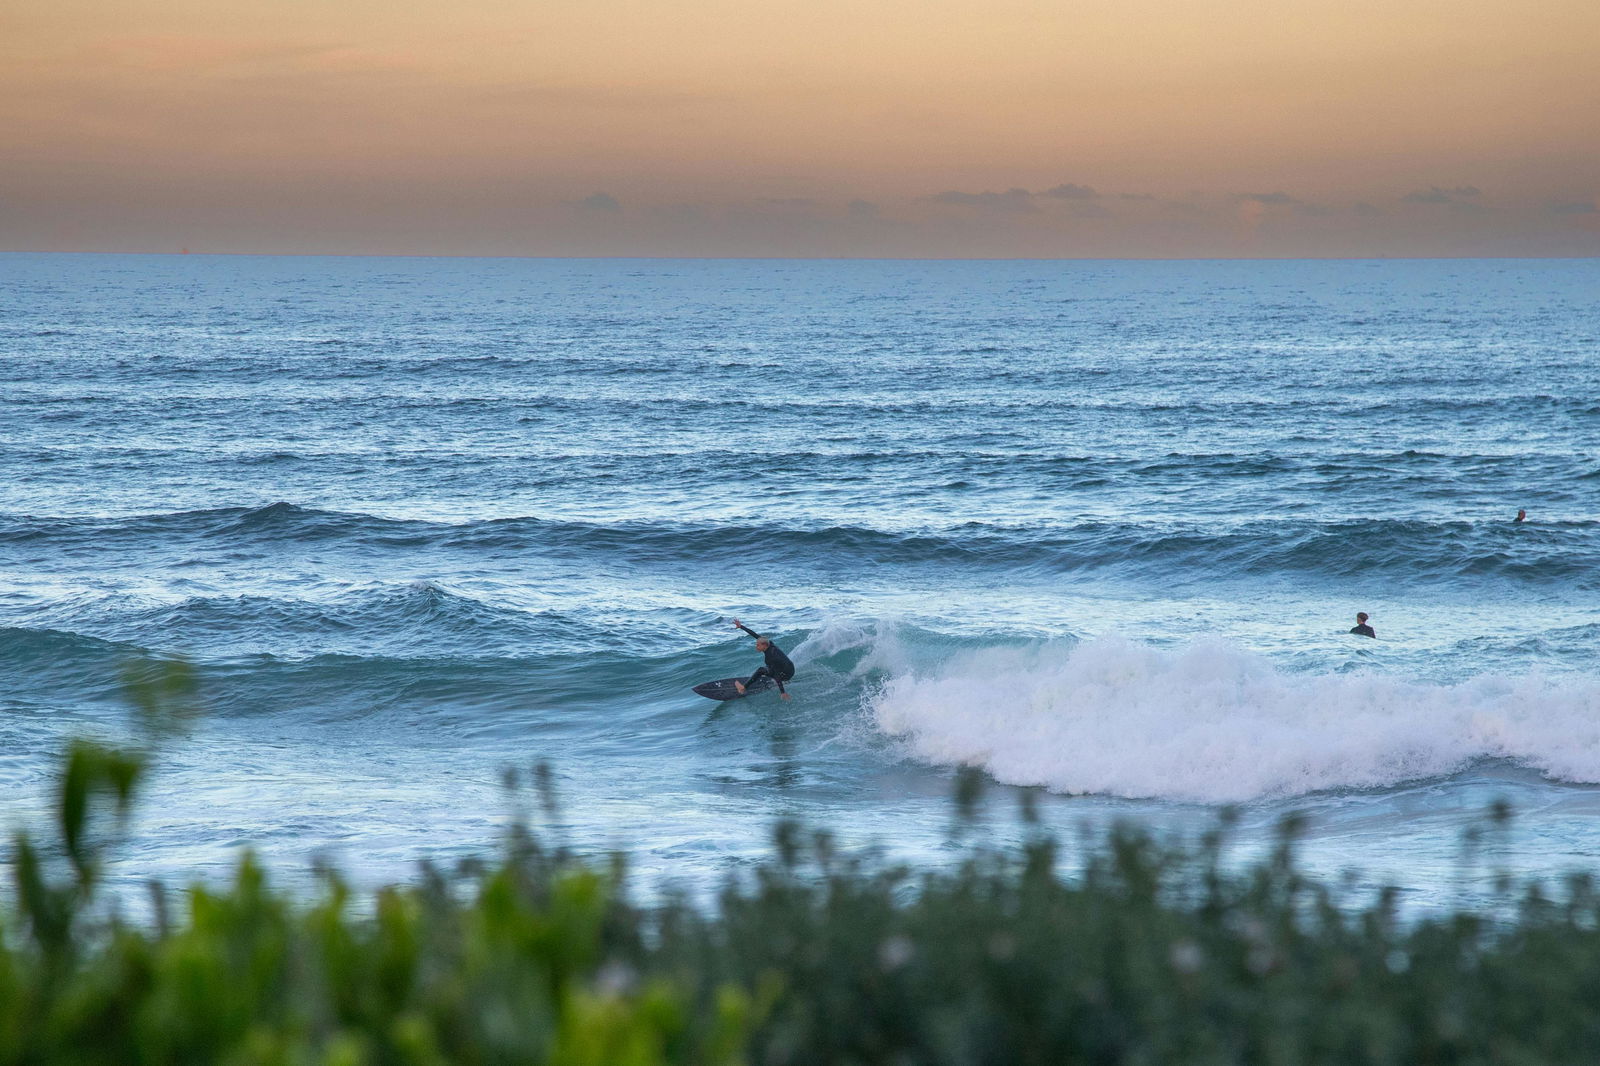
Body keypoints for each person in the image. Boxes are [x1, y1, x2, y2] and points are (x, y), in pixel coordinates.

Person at [732, 618, 794, 700]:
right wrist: (741, 626)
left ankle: (743, 688)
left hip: (786, 674)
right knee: (769, 668)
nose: (756, 647)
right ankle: (783, 680)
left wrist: (782, 692)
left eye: (758, 645)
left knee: (761, 670)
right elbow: (755, 635)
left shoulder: (771, 657)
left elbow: (776, 674)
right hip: (790, 668)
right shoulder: (770, 644)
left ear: (764, 645)